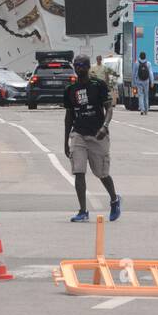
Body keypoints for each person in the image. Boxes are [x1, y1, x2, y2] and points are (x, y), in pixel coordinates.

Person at [64, 55, 121, 223]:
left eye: (82, 65)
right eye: (76, 65)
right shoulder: (70, 89)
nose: (79, 68)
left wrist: (105, 126)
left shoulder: (98, 85)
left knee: (101, 173)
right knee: (79, 171)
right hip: (78, 134)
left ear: (89, 67)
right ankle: (82, 211)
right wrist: (66, 141)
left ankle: (114, 199)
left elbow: (108, 108)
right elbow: (68, 116)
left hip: (97, 134)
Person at [133, 50, 152, 114]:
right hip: (146, 81)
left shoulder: (136, 63)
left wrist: (134, 82)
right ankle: (146, 110)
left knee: (140, 95)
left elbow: (134, 73)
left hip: (139, 81)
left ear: (140, 56)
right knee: (146, 95)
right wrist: (152, 81)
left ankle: (142, 109)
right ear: (145, 57)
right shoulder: (148, 63)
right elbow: (150, 73)